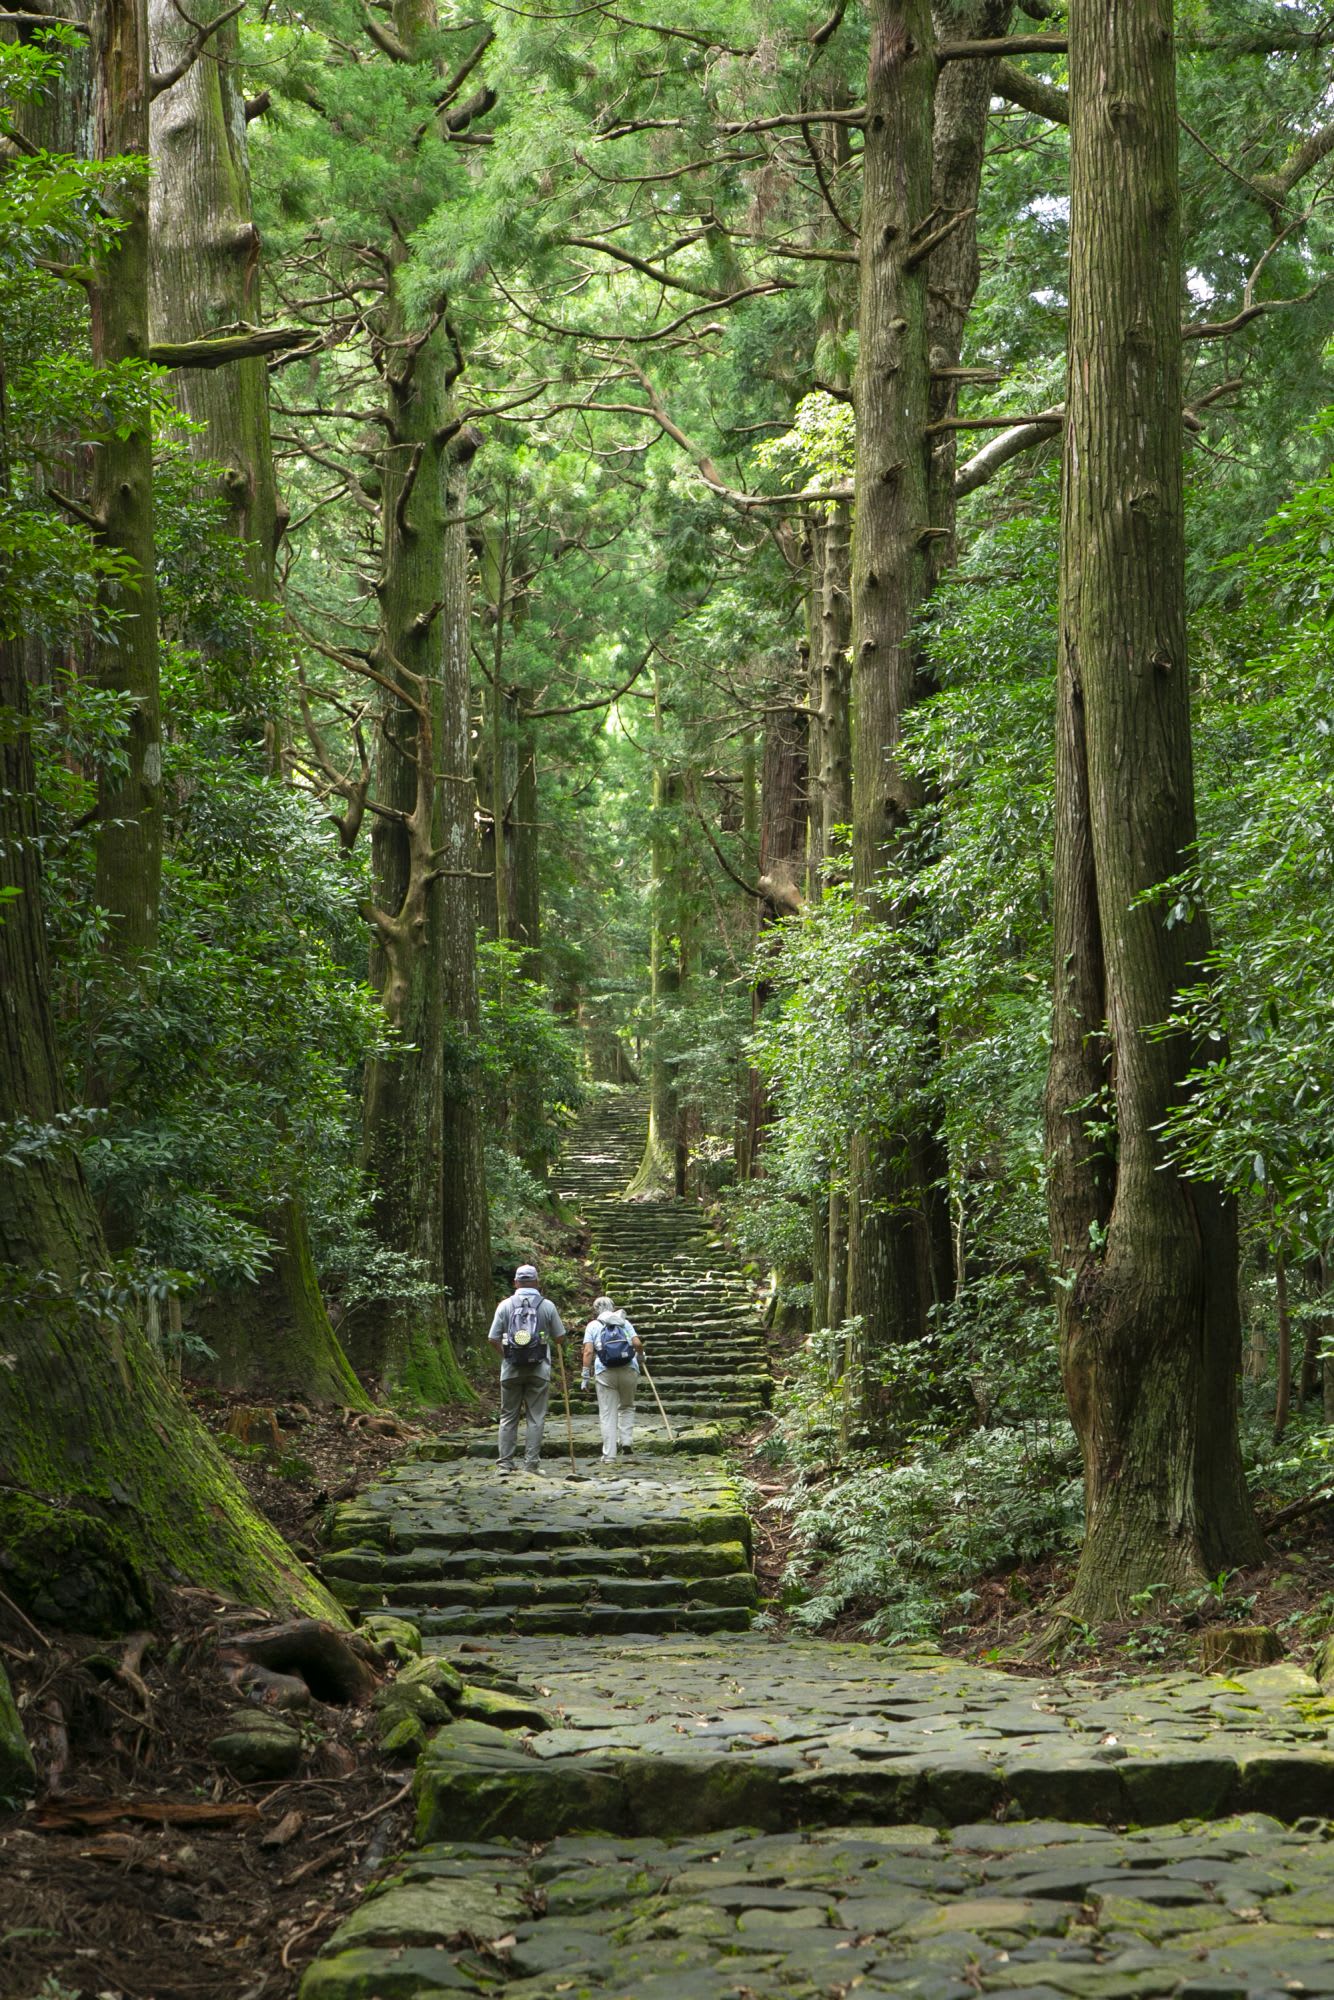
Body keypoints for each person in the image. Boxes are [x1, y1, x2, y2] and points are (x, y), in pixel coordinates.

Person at [488, 1264, 567, 1477]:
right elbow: (560, 1337)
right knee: (536, 1417)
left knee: (508, 1416)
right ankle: (531, 1464)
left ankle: (504, 1464)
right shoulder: (547, 1305)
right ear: (537, 1283)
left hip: (511, 1369)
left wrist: (508, 1356)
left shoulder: (504, 1305)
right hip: (539, 1369)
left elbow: (492, 1338)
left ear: (515, 1283)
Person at [581, 1295, 643, 1467]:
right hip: (628, 1369)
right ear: (613, 1307)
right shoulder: (623, 1321)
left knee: (608, 1414)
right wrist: (641, 1357)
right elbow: (637, 1343)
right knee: (627, 1406)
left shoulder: (593, 1325)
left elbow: (587, 1352)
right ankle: (627, 1442)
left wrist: (585, 1376)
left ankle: (609, 1455)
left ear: (595, 1310)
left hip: (604, 1371)